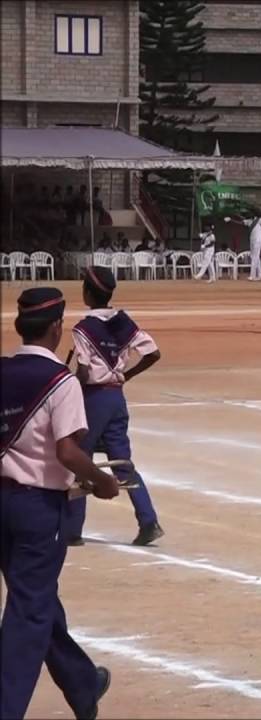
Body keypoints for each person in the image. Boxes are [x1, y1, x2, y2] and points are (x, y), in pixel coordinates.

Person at [1, 287, 117, 720]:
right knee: (28, 614)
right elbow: (68, 452)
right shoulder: (61, 381)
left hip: (3, 501)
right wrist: (102, 481)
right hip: (38, 507)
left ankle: (83, 685)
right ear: (55, 328)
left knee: (35, 597)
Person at [64, 267, 164, 547]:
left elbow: (84, 372)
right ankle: (148, 521)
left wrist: (70, 387)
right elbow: (153, 353)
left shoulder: (83, 329)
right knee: (122, 461)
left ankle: (72, 530)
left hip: (93, 398)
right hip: (116, 397)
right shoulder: (123, 322)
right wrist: (126, 375)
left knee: (80, 459)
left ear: (87, 293)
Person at [229, 215, 261, 281]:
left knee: (254, 258)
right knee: (255, 257)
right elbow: (241, 222)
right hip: (252, 240)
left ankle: (252, 276)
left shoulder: (259, 220)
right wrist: (231, 220)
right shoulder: (249, 221)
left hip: (258, 240)